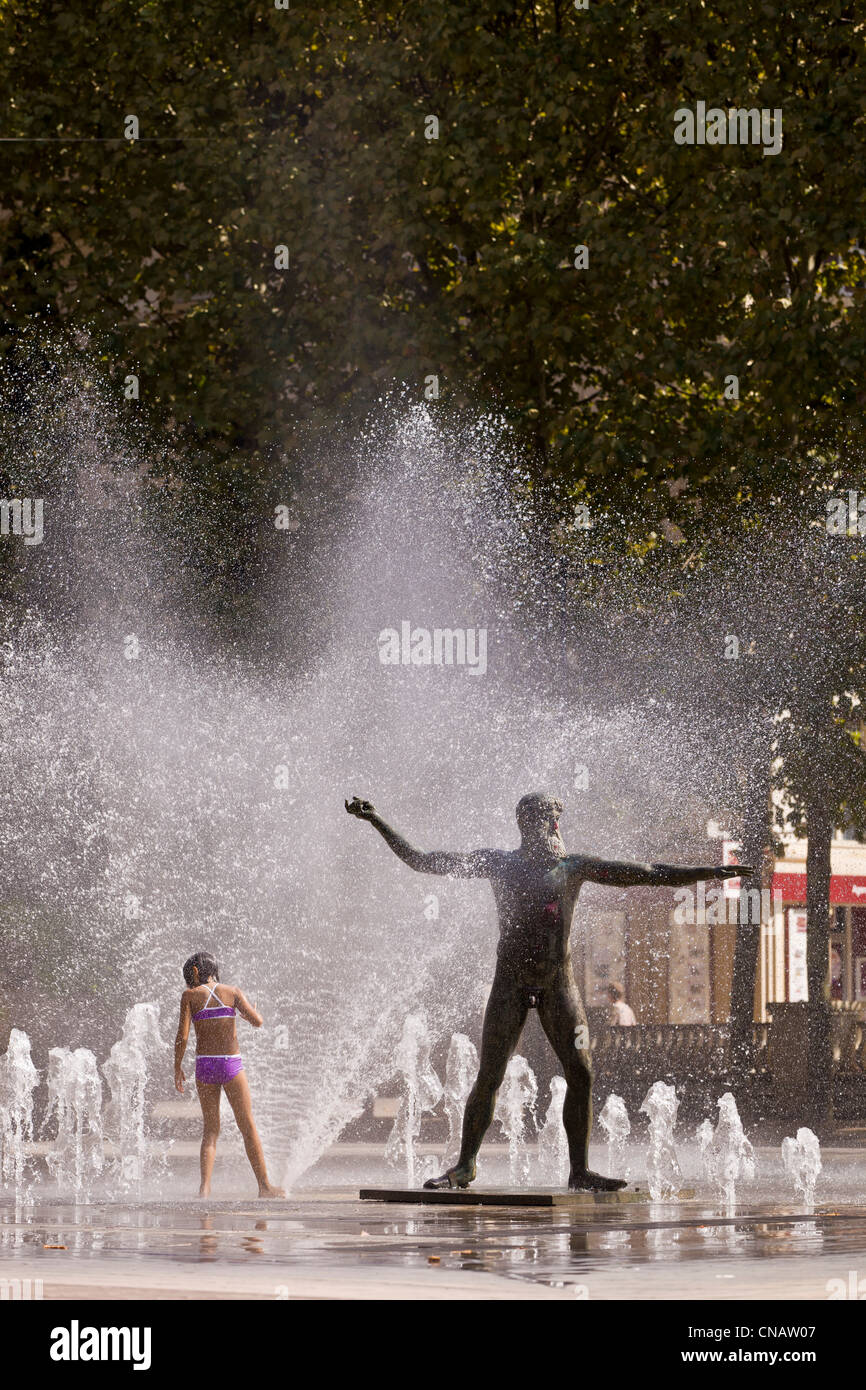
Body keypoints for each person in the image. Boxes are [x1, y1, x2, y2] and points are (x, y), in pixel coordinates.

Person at [346, 791, 748, 1191]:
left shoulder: (572, 866)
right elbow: (422, 860)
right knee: (490, 1074)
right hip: (511, 983)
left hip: (559, 984)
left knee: (582, 1073)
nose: (556, 827)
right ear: (529, 824)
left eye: (557, 819)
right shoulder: (499, 863)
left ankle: (579, 1170)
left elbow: (646, 871)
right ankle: (466, 1166)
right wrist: (377, 819)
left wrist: (710, 872)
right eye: (549, 819)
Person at [174, 951, 284, 1199]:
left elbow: (182, 1037)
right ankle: (265, 1187)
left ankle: (204, 1189)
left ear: (193, 972)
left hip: (205, 1066)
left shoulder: (190, 996)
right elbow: (258, 1021)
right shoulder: (232, 992)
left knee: (211, 1130)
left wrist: (177, 1066)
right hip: (231, 1065)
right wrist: (246, 1014)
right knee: (247, 1126)